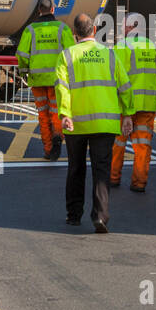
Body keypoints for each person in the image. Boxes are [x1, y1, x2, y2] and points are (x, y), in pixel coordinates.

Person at [54, 13, 133, 233]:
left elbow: (62, 88)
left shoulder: (67, 56)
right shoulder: (109, 55)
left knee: (76, 168)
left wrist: (65, 114)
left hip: (76, 124)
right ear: (95, 30)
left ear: (74, 33)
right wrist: (127, 115)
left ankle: (73, 215)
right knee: (101, 170)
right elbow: (125, 86)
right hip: (105, 125)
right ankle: (100, 216)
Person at [16, 0, 76, 161]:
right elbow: (71, 54)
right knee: (56, 112)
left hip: (37, 80)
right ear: (53, 9)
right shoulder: (62, 29)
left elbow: (21, 54)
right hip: (57, 80)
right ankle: (58, 135)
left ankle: (49, 150)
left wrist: (23, 71)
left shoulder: (30, 30)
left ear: (38, 10)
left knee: (43, 114)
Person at [110, 31, 156, 192]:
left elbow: (116, 77)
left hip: (126, 104)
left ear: (129, 27)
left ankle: (113, 177)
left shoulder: (123, 46)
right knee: (143, 145)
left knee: (117, 142)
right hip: (147, 103)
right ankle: (139, 182)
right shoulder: (152, 47)